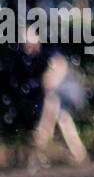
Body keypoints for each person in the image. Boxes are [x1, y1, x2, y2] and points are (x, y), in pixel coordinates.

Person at [5, 26, 87, 164]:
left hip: (67, 93)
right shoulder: (25, 59)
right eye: (24, 43)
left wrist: (45, 84)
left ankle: (41, 137)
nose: (27, 46)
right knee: (62, 117)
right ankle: (77, 153)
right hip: (52, 101)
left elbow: (53, 77)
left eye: (29, 41)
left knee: (52, 101)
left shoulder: (48, 52)